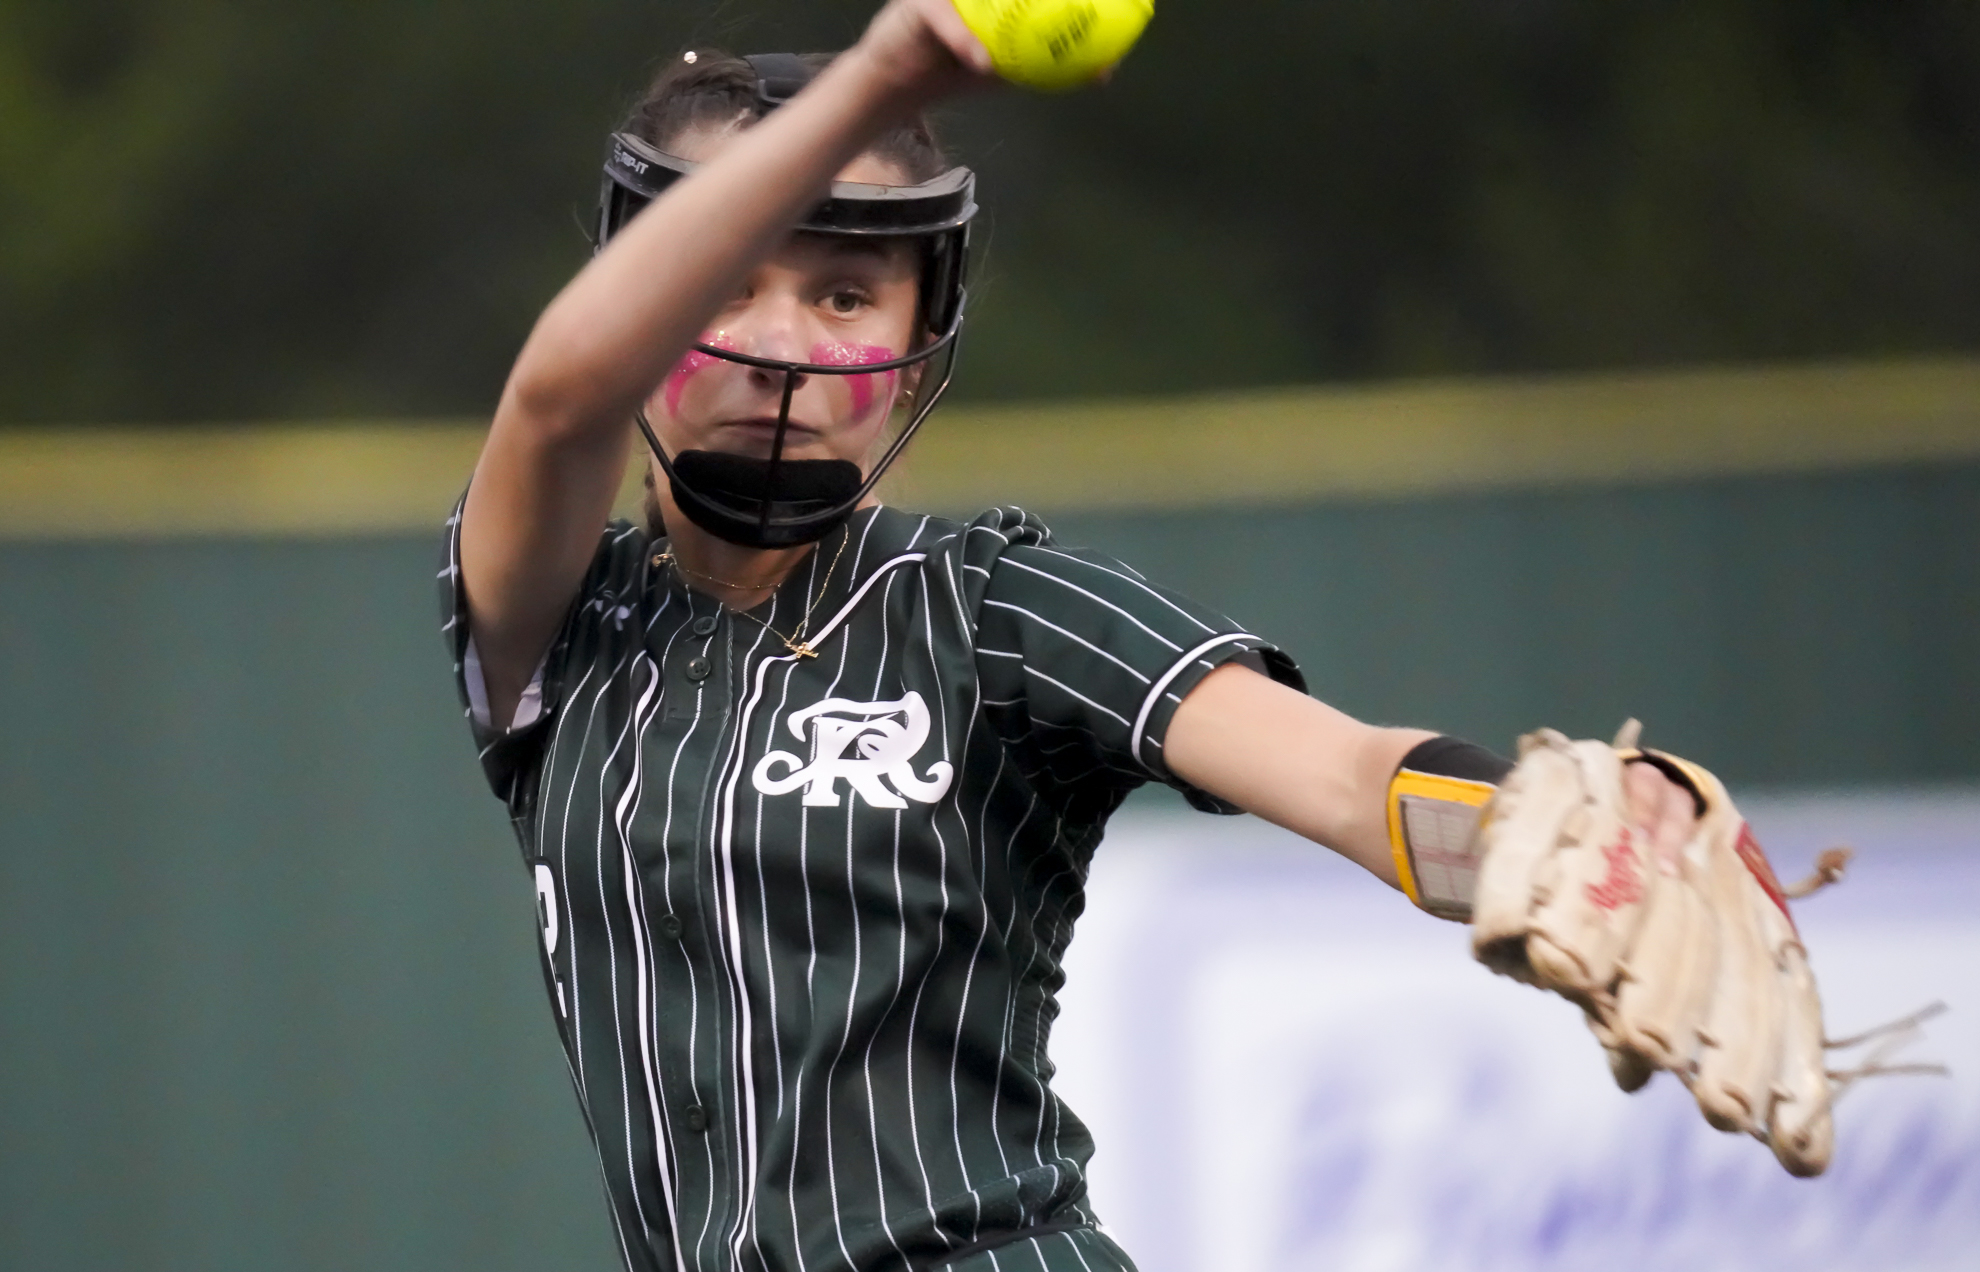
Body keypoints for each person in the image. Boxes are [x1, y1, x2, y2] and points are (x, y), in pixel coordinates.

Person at [441, 2, 1699, 1269]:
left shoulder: (994, 606)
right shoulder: (557, 628)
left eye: (842, 294)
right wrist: (879, 83)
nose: (780, 349)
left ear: (915, 336)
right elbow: (559, 397)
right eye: (724, 280)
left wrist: (1544, 850)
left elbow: (1344, 774)